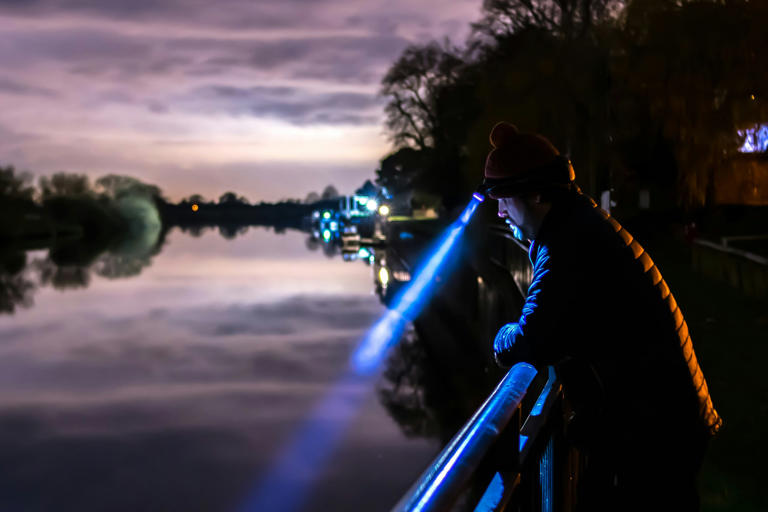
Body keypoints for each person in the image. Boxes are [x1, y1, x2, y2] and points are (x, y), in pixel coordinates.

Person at [479, 122, 721, 511]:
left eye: (503, 197)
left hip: (654, 431)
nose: (499, 209)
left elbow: (530, 341)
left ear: (537, 192)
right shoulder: (576, 225)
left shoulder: (567, 244)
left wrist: (501, 335)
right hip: (659, 419)